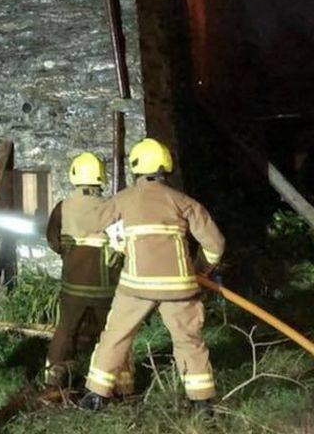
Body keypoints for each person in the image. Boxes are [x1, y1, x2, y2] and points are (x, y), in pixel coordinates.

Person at [81, 138, 225, 411]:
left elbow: (91, 223)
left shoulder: (123, 199)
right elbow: (215, 243)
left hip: (136, 286)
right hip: (180, 286)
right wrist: (201, 268)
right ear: (165, 168)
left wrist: (116, 235)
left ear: (135, 167)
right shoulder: (183, 201)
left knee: (116, 335)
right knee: (188, 340)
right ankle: (202, 402)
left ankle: (95, 395)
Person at [43, 153, 130, 393]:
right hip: (105, 288)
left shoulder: (63, 207)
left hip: (72, 287)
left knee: (65, 330)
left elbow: (52, 239)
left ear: (74, 175)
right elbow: (123, 244)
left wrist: (68, 254)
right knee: (113, 334)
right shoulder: (111, 206)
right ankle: (122, 387)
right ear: (100, 177)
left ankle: (52, 381)